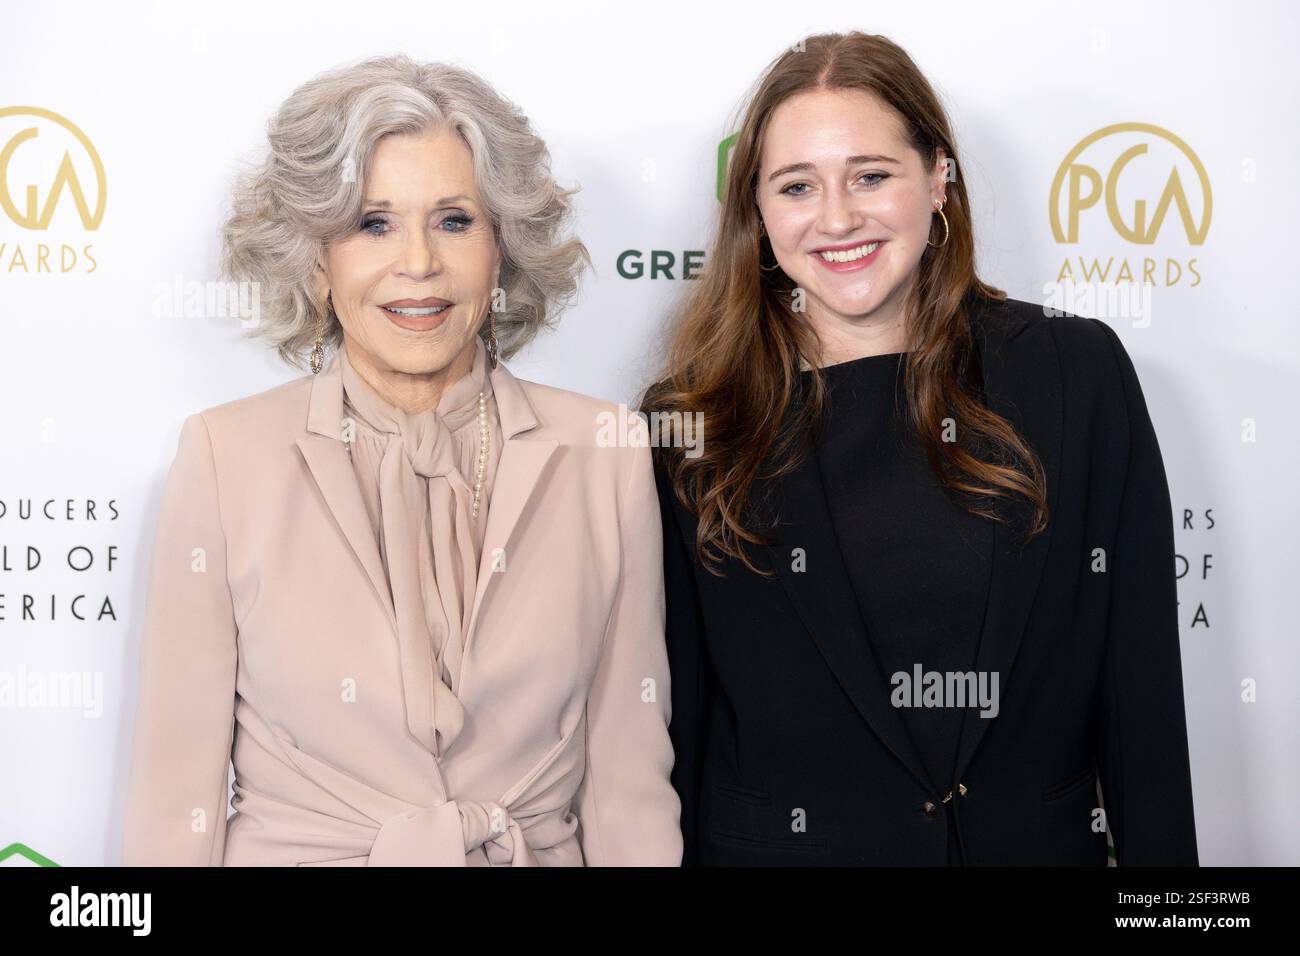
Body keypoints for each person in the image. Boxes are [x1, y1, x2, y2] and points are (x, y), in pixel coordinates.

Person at [642, 31, 1197, 865]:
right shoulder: (691, 427)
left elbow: (1139, 690)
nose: (838, 218)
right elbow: (675, 727)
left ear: (938, 179)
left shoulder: (1072, 374)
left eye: (871, 175)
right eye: (797, 186)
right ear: (756, 211)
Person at [121, 54, 681, 866]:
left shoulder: (608, 453)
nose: (418, 262)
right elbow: (176, 806)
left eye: (454, 220)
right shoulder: (223, 458)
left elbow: (630, 788)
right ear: (318, 262)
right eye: (372, 224)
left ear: (503, 250)